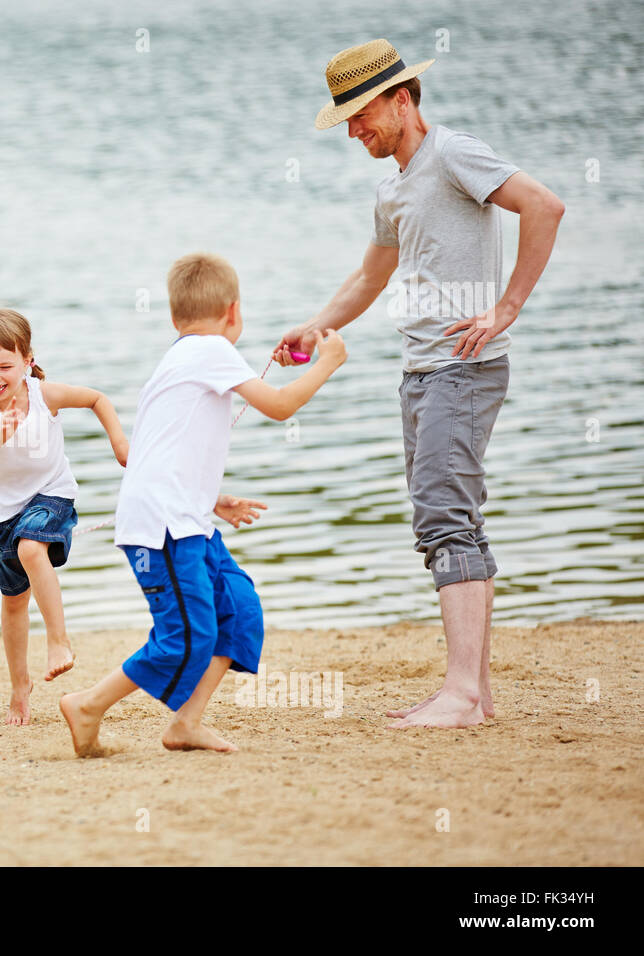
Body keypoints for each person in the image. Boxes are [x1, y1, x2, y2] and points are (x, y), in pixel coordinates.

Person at [274, 40, 565, 728]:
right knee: (452, 516)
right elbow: (372, 277)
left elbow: (544, 206)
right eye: (345, 120)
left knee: (443, 516)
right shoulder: (393, 185)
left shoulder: (454, 153)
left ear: (401, 100)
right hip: (421, 373)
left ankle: (460, 695)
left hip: (463, 368)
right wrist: (316, 327)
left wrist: (506, 308)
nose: (353, 131)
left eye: (361, 114)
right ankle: (477, 696)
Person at [60, 253, 346, 756]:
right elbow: (280, 407)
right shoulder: (211, 351)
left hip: (186, 517)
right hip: (161, 529)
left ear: (175, 317)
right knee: (185, 636)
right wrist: (327, 362)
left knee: (238, 610)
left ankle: (186, 723)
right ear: (234, 313)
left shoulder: (185, 356)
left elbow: (162, 451)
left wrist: (211, 500)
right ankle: (88, 703)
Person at [0, 308, 129, 725]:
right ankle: (20, 687)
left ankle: (59, 641)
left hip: (52, 496)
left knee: (32, 548)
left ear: (27, 361)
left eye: (5, 365)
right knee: (13, 603)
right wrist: (5, 428)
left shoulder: (44, 393)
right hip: (5, 512)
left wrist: (120, 445)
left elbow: (96, 398)